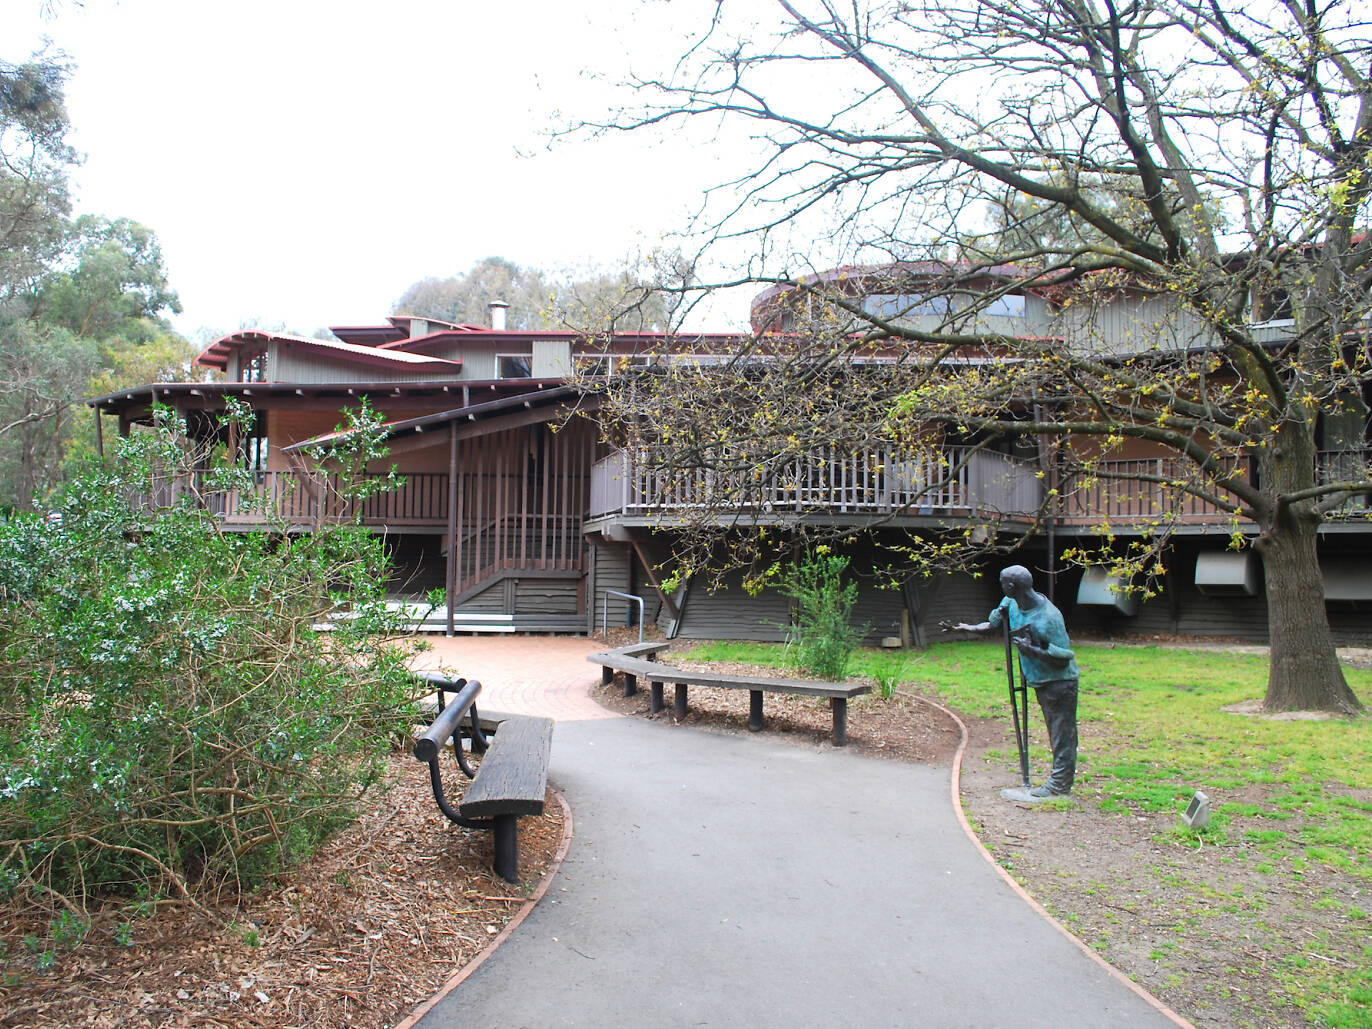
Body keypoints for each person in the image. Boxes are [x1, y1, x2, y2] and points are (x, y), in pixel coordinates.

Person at [943, 565, 1079, 799]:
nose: (1001, 585)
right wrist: (964, 627)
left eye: (1002, 581)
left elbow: (1065, 656)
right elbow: (992, 624)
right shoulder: (1010, 602)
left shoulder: (1049, 617)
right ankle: (1054, 783)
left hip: (1059, 683)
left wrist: (1034, 651)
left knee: (1062, 733)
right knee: (1056, 730)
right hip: (1038, 679)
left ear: (1012, 585)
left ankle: (1059, 785)